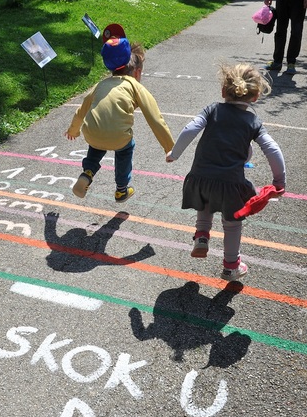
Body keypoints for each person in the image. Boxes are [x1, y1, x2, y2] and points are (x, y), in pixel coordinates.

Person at [166, 63, 286, 281]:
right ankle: (231, 267)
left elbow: (190, 128)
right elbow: (272, 148)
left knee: (205, 203)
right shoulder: (253, 122)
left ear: (223, 91)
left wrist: (175, 154)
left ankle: (202, 236)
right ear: (256, 96)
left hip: (200, 177)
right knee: (232, 225)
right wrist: (279, 180)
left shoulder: (212, 110)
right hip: (231, 184)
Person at [65, 23, 174, 203]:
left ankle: (87, 172)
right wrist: (169, 147)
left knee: (96, 144)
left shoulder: (100, 85)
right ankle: (121, 189)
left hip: (91, 133)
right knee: (125, 148)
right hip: (118, 137)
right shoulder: (134, 86)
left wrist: (74, 131)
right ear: (137, 72)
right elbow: (155, 118)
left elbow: (81, 110)